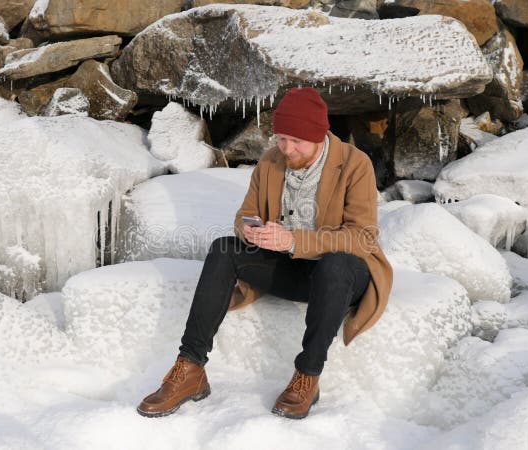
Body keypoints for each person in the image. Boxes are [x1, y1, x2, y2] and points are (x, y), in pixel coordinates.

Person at [137, 87, 393, 420]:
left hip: (343, 276)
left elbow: (362, 238)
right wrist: (251, 230)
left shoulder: (354, 164)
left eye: (296, 141)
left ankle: (307, 376)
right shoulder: (271, 161)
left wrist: (294, 241)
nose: (286, 148)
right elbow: (244, 215)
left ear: (318, 136)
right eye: (282, 138)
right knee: (224, 249)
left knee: (337, 263)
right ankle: (190, 368)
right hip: (292, 269)